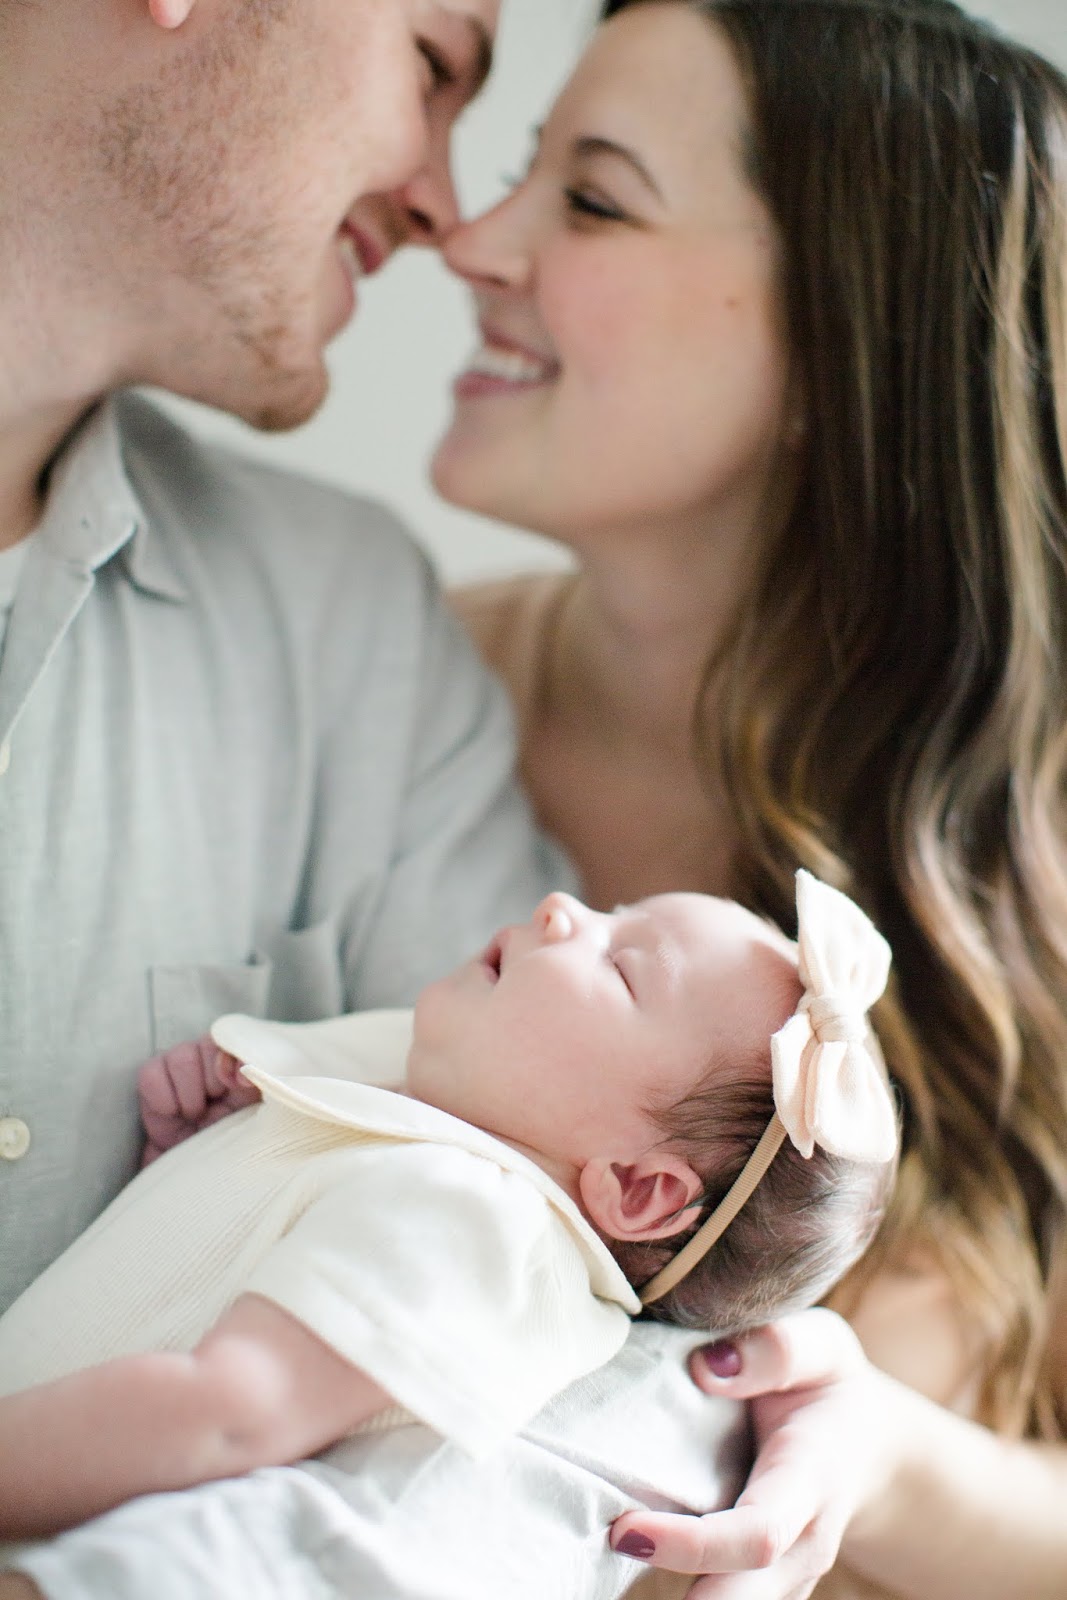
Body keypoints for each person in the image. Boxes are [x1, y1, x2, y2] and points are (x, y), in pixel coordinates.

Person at [0, 3, 756, 1599]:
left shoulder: (353, 634)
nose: (448, 212)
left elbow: (572, 1280)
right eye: (433, 63)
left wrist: (826, 1425)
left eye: (591, 194)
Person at [429, 0, 1067, 1594]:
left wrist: (881, 1455)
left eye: (590, 197)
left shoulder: (1040, 859)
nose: (470, 236)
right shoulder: (400, 695)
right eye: (522, 171)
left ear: (846, 344)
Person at [0, 874, 897, 1542]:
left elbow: (230, 1411)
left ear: (635, 1188)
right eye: (613, 911)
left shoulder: (476, 1220)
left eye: (622, 967)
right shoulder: (426, 1157)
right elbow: (180, 1308)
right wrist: (200, 1159)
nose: (559, 908)